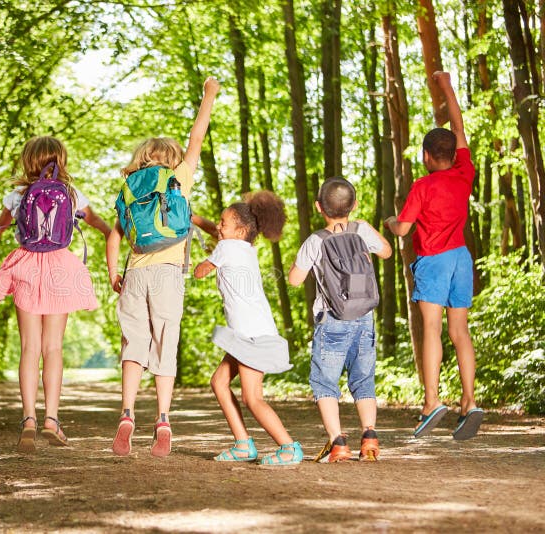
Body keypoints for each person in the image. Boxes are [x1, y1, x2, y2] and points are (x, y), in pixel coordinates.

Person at [106, 76, 220, 457]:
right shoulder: (178, 179)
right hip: (169, 274)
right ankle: (163, 419)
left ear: (142, 159)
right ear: (173, 159)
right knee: (165, 344)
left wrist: (114, 274)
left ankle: (127, 414)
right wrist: (208, 94)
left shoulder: (130, 189)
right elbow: (197, 137)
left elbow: (113, 237)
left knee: (134, 344)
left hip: (135, 273)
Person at [0, 136, 111, 453]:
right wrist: (114, 235)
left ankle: (29, 419)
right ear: (60, 160)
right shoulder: (71, 193)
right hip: (59, 268)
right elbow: (96, 222)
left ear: (28, 160)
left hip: (26, 265)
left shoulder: (17, 195)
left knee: (30, 347)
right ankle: (51, 419)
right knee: (53, 347)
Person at [385, 71, 483, 440]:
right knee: (460, 331)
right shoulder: (464, 172)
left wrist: (390, 221)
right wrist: (447, 86)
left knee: (432, 329)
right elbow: (458, 127)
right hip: (461, 258)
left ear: (426, 156)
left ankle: (431, 402)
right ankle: (469, 401)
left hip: (434, 260)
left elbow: (403, 230)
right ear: (454, 154)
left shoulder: (422, 186)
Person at [193, 192, 302, 465]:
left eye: (224, 223)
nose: (219, 226)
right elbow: (218, 233)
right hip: (246, 334)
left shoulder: (227, 248)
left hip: (252, 336)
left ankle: (289, 447)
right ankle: (243, 445)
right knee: (219, 383)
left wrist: (195, 253)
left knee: (253, 398)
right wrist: (193, 219)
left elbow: (199, 272)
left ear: (240, 231)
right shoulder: (244, 247)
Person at [289, 177, 391, 462]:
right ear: (354, 205)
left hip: (331, 319)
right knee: (364, 378)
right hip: (365, 317)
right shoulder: (361, 230)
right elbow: (386, 251)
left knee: (324, 382)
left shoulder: (315, 241)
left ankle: (338, 442)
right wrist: (367, 230)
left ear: (318, 207)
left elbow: (295, 280)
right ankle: (369, 437)